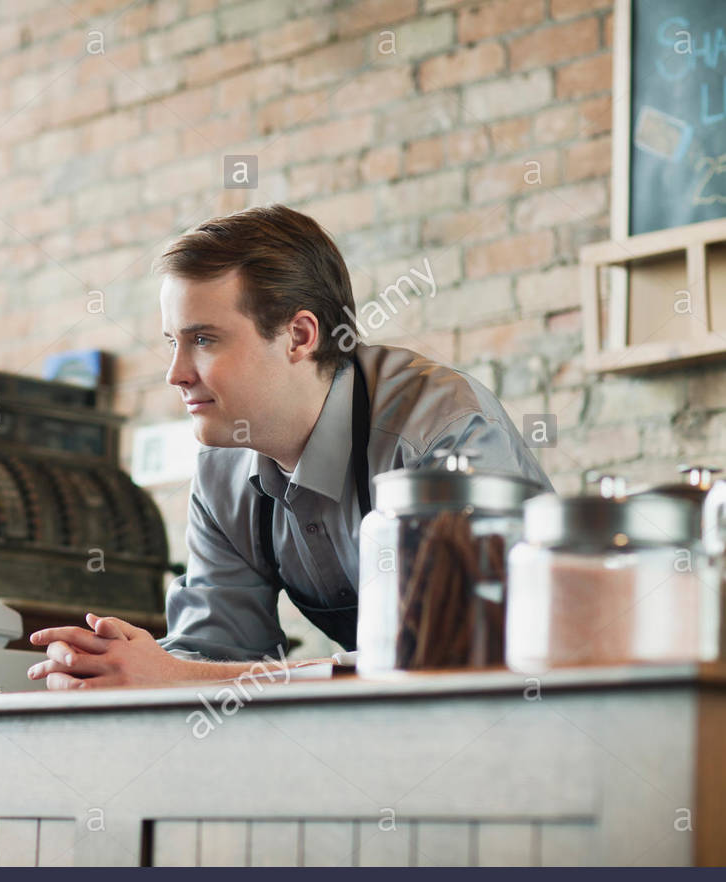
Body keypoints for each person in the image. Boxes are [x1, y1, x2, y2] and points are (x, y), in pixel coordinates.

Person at [27, 204, 552, 690]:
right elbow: (211, 655)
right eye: (172, 343)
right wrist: (111, 670)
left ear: (299, 336)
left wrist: (177, 677)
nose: (175, 374)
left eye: (203, 340)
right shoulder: (222, 470)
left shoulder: (440, 432)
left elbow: (450, 658)